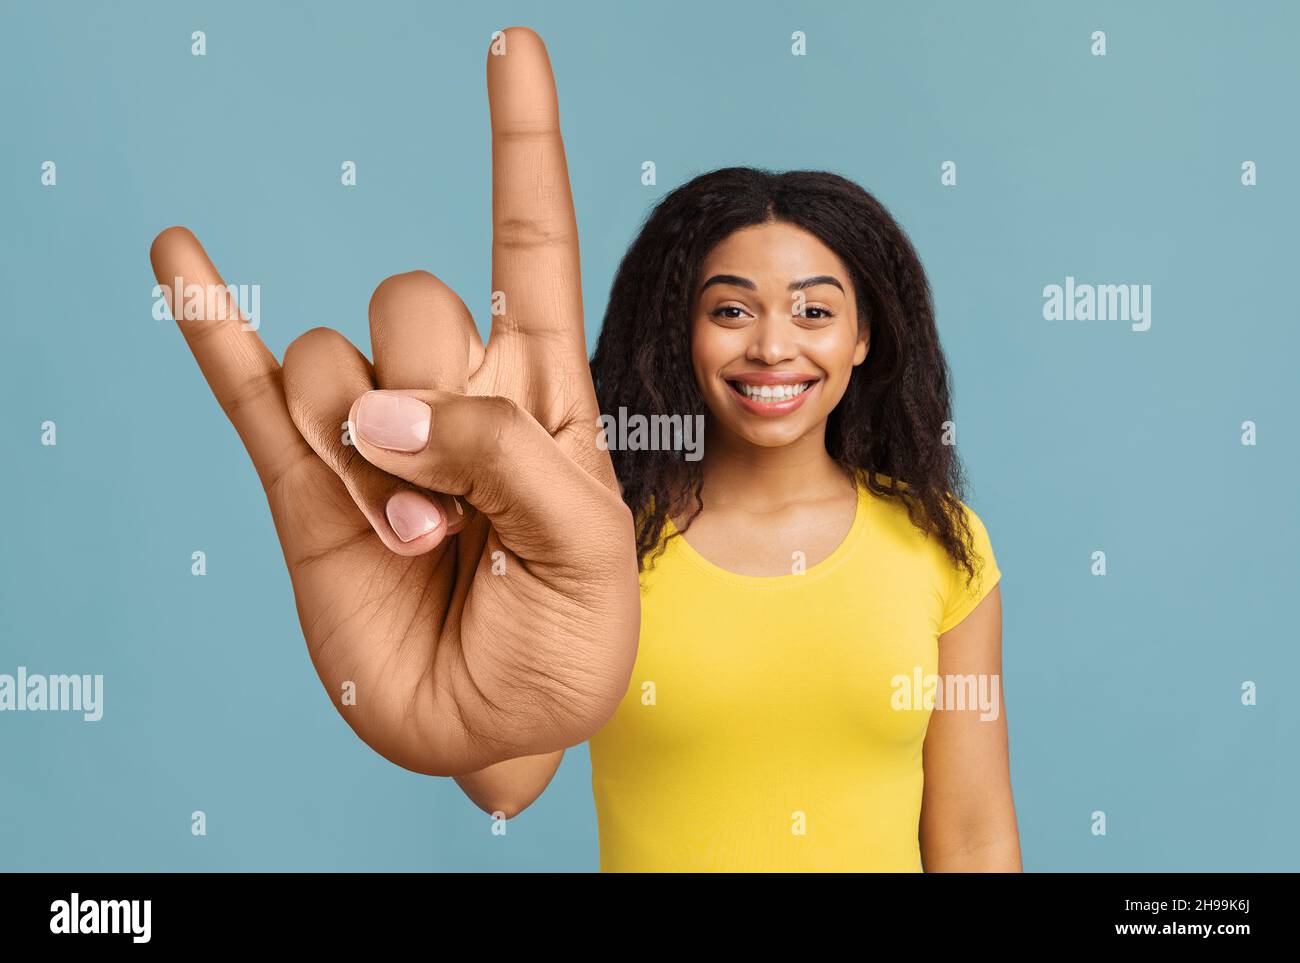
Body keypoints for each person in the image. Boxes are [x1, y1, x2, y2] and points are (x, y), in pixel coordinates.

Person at [148, 26, 1020, 872]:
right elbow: (504, 781)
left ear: (866, 337)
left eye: (815, 311)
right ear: (679, 332)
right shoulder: (599, 536)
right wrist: (451, 592)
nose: (772, 346)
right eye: (730, 310)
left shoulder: (944, 547)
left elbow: (975, 836)